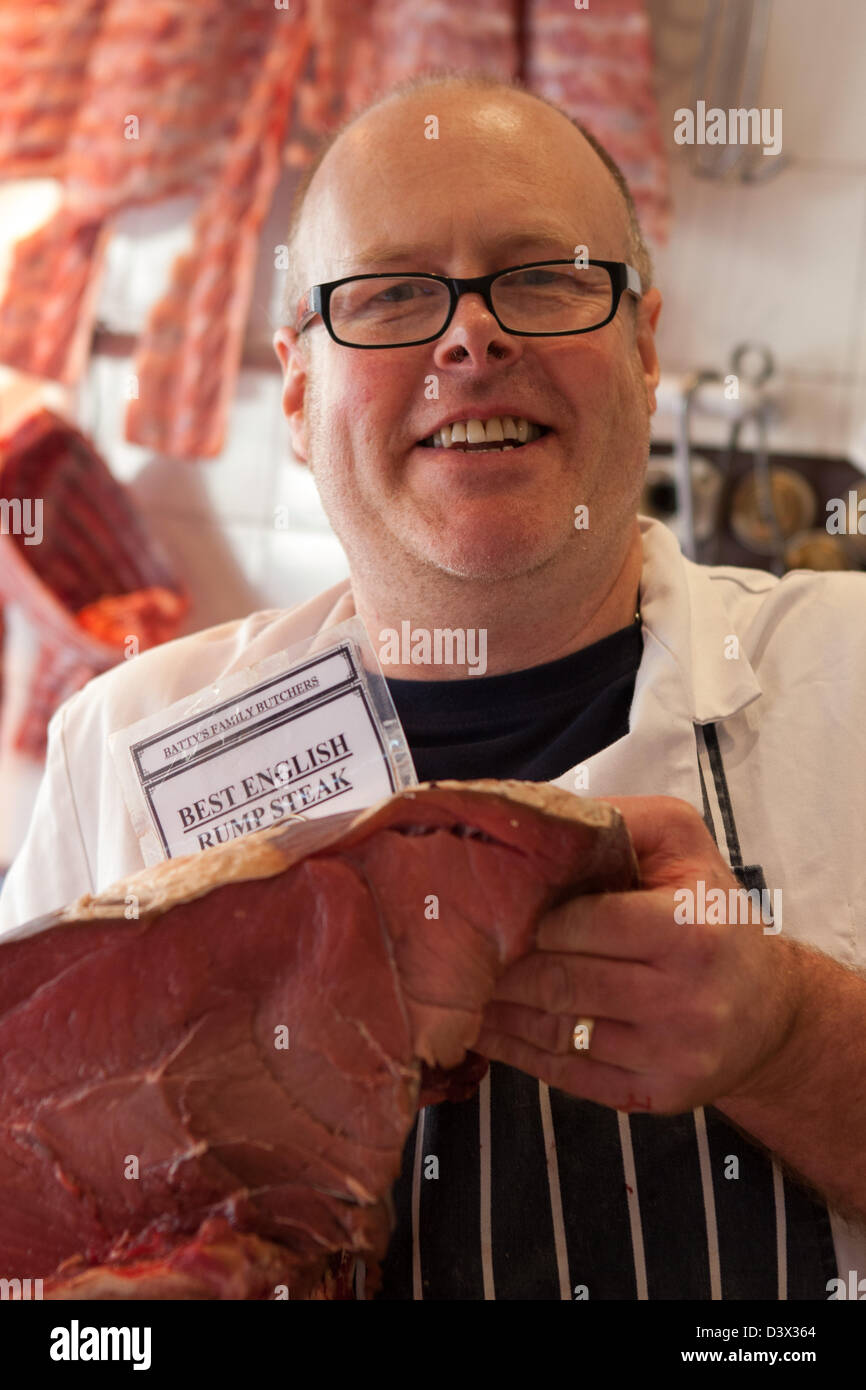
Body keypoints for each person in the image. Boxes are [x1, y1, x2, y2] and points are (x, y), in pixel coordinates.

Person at [2, 72, 865, 1300]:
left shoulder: (850, 677)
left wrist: (791, 1034)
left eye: (543, 276)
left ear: (643, 348)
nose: (471, 338)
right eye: (394, 293)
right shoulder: (125, 748)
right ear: (296, 391)